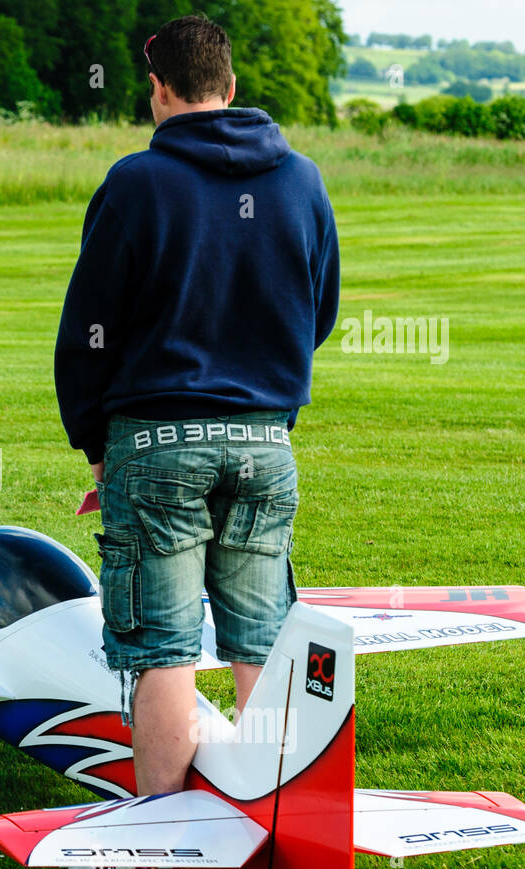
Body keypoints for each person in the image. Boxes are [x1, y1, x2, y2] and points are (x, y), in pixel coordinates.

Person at [54, 16, 339, 803]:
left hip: (157, 440)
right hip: (264, 442)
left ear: (158, 88)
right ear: (232, 87)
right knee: (266, 644)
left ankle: (162, 847)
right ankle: (282, 820)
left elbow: (88, 332)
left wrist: (98, 445)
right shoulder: (303, 181)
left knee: (164, 649)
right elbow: (318, 312)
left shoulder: (135, 183)